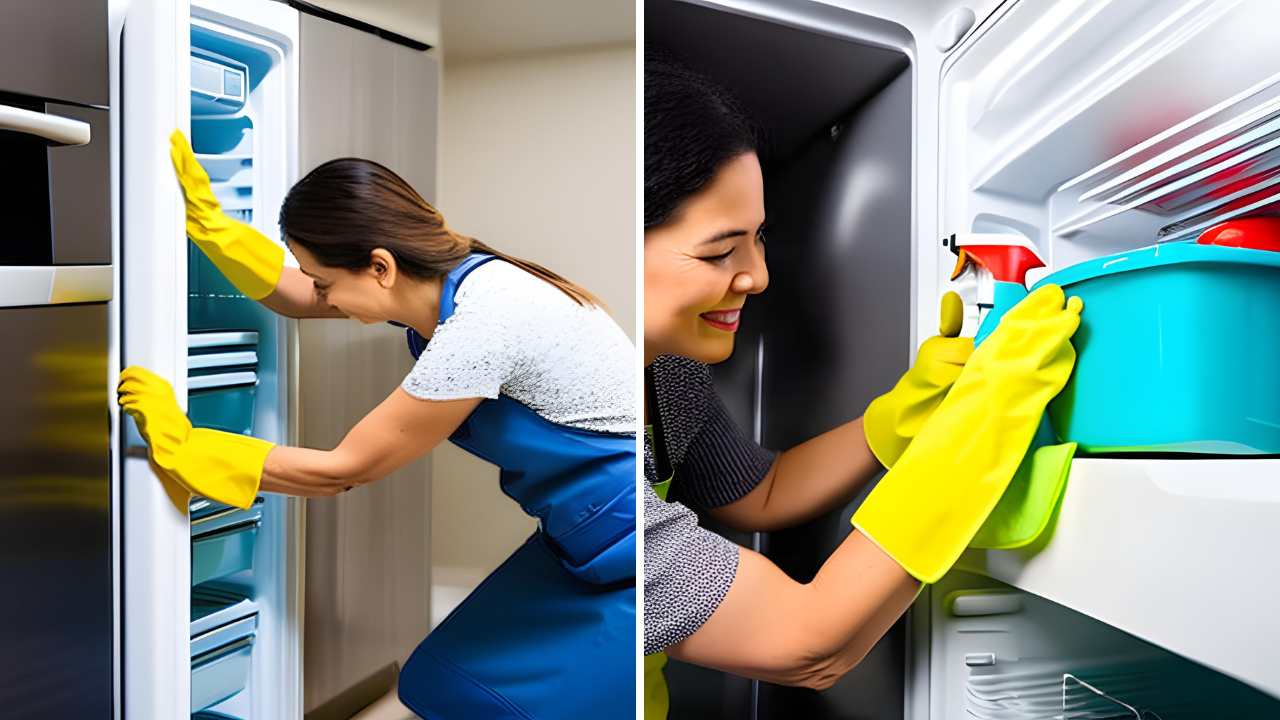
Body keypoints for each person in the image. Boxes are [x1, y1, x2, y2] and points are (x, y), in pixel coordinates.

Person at [119, 131, 637, 720]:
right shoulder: (450, 280)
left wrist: (187, 446)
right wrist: (213, 226)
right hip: (580, 539)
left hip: (632, 557)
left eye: (324, 279)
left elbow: (347, 468)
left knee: (506, 705)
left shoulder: (484, 324)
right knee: (441, 683)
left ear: (379, 267)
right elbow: (303, 297)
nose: (322, 295)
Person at [641, 47, 1082, 718]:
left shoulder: (669, 374)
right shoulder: (573, 439)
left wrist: (899, 419)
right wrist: (976, 436)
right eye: (719, 251)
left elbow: (758, 493)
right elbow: (809, 646)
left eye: (759, 240)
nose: (758, 276)